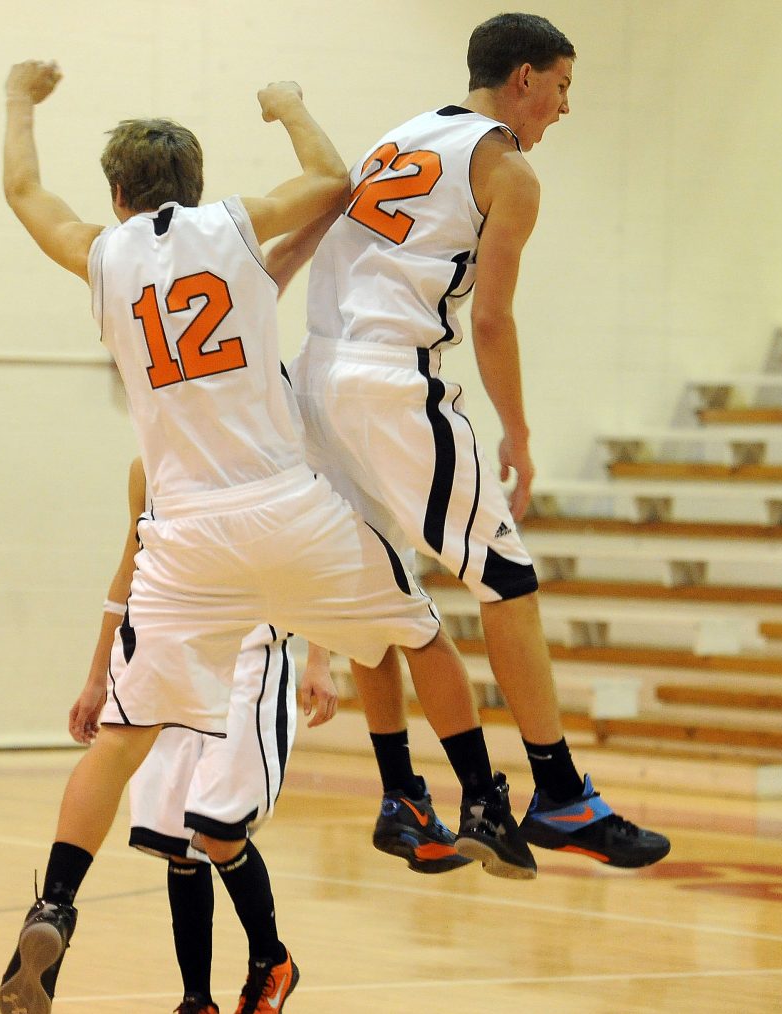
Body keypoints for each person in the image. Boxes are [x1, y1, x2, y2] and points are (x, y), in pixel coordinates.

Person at [0, 59, 533, 1014]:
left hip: (183, 535)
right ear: (194, 182)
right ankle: (479, 798)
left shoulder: (103, 254)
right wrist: (289, 108)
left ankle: (56, 904)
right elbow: (332, 179)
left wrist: (20, 100)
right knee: (419, 635)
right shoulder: (232, 228)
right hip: (285, 511)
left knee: (120, 741)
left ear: (118, 195)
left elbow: (24, 193)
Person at [270, 11, 670, 869]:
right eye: (561, 87)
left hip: (315, 374)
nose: (565, 107)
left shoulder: (398, 138)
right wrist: (517, 431)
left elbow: (321, 220)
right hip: (390, 382)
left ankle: (403, 794)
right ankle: (560, 793)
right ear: (523, 78)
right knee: (506, 574)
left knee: (375, 588)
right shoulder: (508, 169)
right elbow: (490, 320)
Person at [69, 457, 339, 1014]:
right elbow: (129, 573)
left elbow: (312, 562)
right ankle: (196, 1000)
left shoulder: (267, 455)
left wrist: (321, 658)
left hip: (249, 659)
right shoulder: (148, 466)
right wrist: (97, 677)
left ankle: (271, 960)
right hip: (173, 658)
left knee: (218, 828)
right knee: (177, 841)